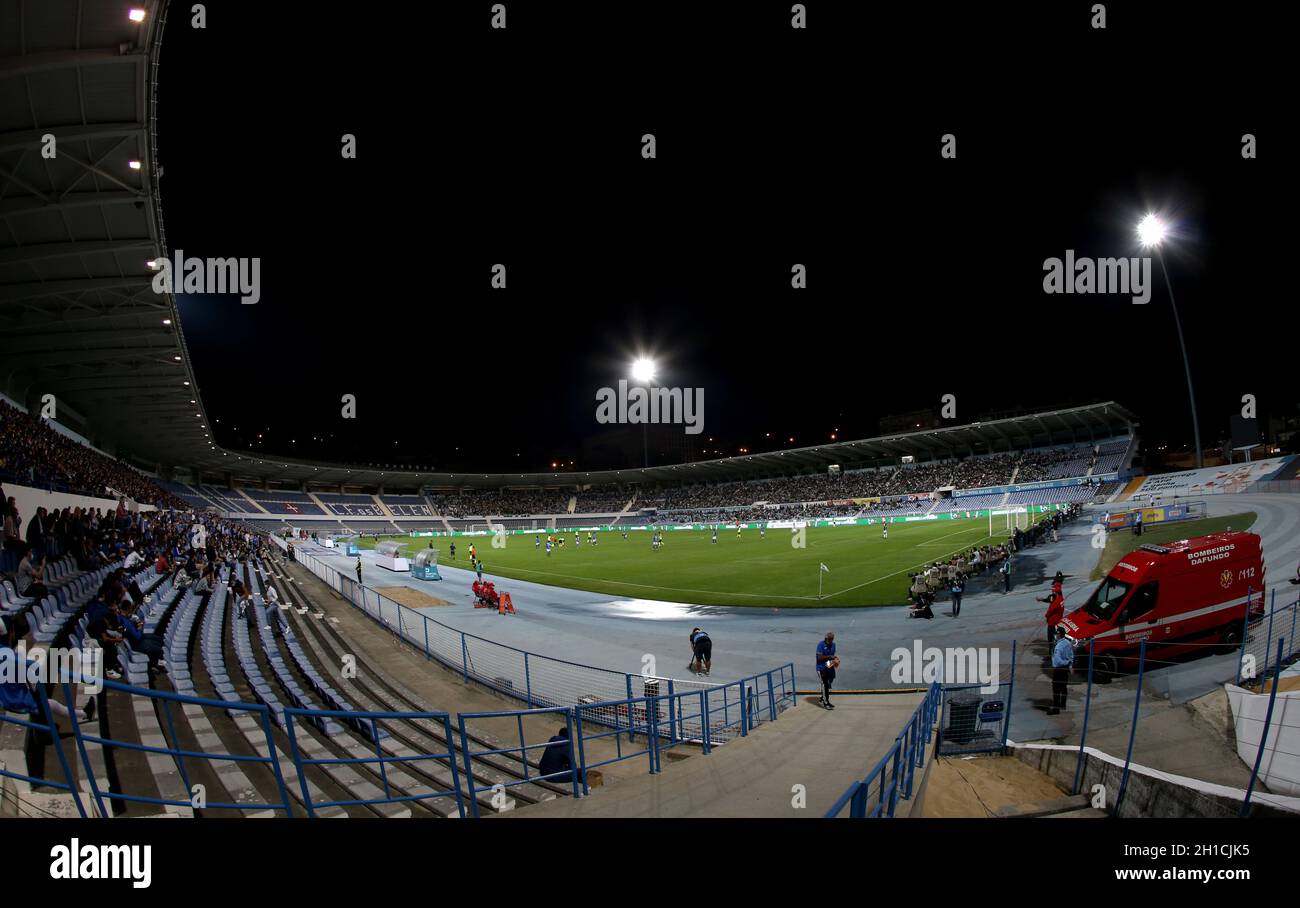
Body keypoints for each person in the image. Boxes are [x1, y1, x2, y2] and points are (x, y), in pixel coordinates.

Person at [1047, 626, 1073, 715]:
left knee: (1056, 690)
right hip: (1065, 670)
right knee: (1063, 687)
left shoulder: (1059, 646)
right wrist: (1069, 664)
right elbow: (1071, 656)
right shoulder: (1068, 643)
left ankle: (1056, 709)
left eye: (1057, 634)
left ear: (1059, 635)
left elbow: (1058, 661)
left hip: (1059, 670)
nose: (1055, 636)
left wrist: (1065, 662)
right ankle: (1063, 704)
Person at [815, 632, 837, 709]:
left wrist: (835, 661)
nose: (830, 641)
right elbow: (819, 658)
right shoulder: (820, 645)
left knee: (831, 679)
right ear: (826, 639)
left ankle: (822, 697)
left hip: (829, 665)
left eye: (832, 639)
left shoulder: (833, 645)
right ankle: (826, 702)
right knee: (824, 684)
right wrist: (830, 657)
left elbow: (832, 656)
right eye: (829, 639)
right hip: (821, 667)